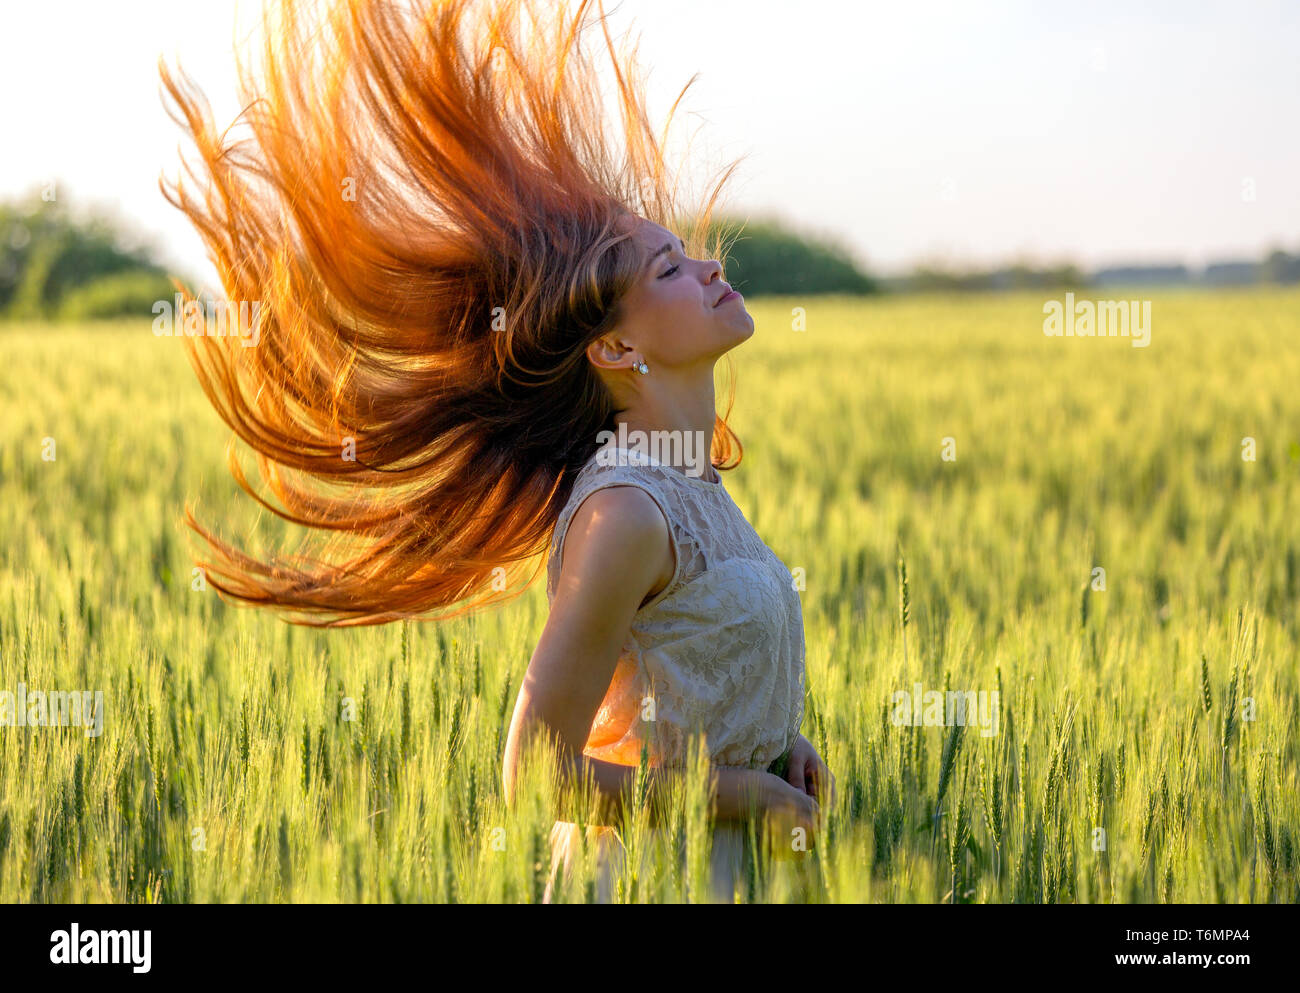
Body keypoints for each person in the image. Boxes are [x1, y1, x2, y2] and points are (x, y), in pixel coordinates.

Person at [159, 0, 833, 902]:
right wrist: (734, 794)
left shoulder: (698, 485)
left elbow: (676, 686)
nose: (709, 265)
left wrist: (773, 744)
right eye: (670, 269)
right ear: (615, 349)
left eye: (689, 254)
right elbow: (538, 773)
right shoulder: (626, 511)